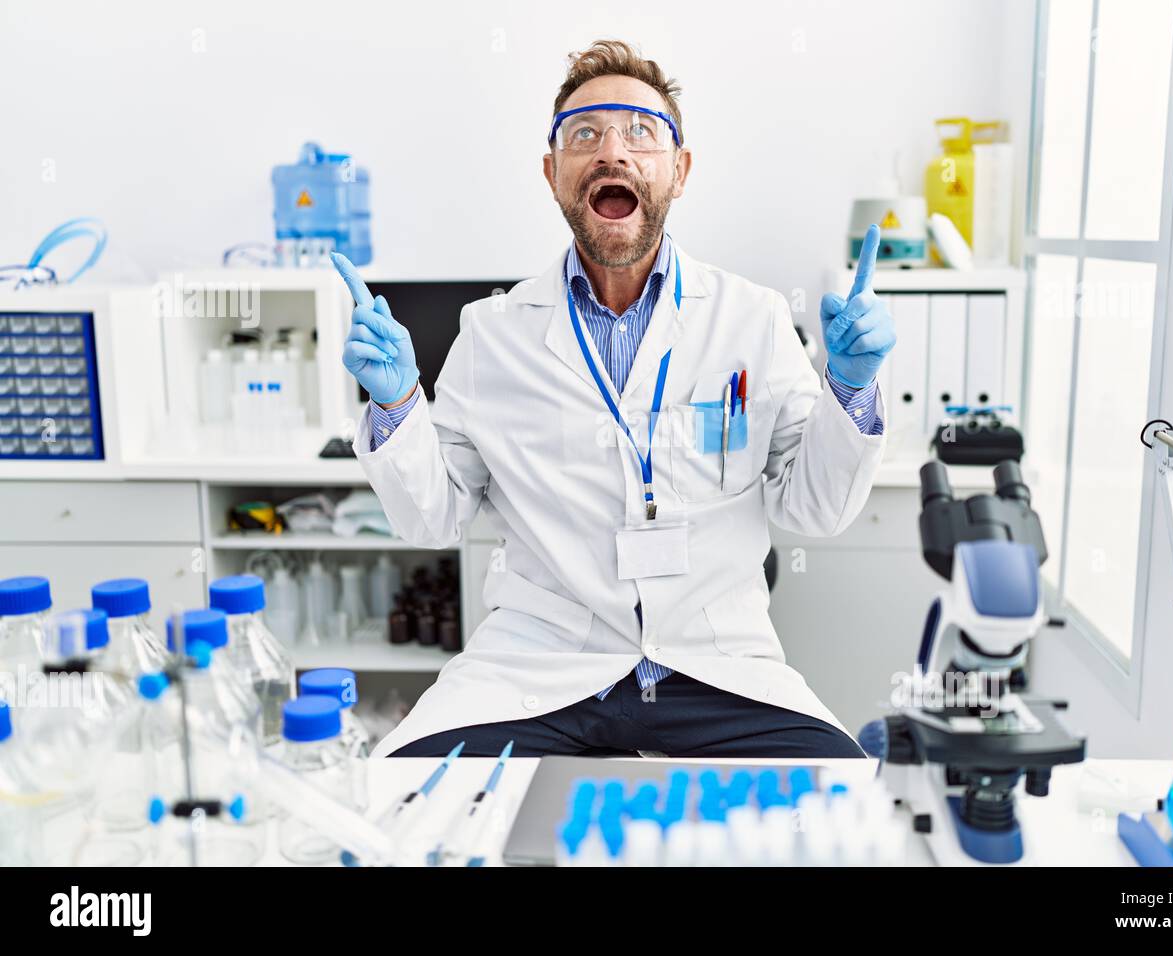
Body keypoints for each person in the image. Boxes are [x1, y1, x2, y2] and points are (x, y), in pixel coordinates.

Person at [334, 39, 895, 758]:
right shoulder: (493, 333)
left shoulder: (750, 319)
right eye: (585, 134)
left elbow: (812, 507)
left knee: (836, 808)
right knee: (405, 811)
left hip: (716, 667)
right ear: (553, 173)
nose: (613, 151)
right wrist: (397, 403)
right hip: (539, 668)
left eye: (641, 133)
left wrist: (848, 387)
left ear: (679, 170)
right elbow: (431, 516)